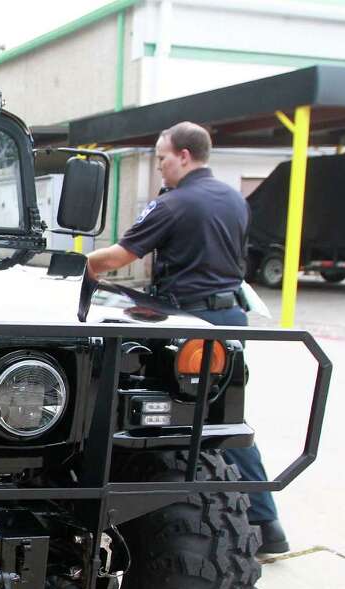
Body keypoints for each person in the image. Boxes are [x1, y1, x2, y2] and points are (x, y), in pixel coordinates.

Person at [86, 121, 288, 555]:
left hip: (190, 324)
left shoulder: (173, 204)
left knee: (166, 417)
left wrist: (77, 267)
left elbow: (120, 256)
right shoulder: (235, 199)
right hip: (231, 317)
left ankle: (164, 513)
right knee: (225, 417)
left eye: (161, 157)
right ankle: (267, 523)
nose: (159, 167)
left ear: (183, 155)